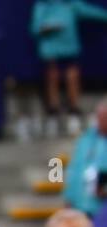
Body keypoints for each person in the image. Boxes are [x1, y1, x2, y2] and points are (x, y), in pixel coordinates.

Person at [30, 0, 107, 134]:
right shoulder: (42, 6)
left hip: (70, 50)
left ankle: (74, 111)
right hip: (50, 52)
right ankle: (53, 113)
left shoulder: (72, 5)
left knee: (72, 76)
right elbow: (35, 28)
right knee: (52, 76)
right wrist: (46, 28)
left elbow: (94, 13)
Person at [63, 99, 107, 217]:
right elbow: (75, 169)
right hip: (81, 205)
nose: (102, 121)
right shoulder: (86, 139)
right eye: (100, 117)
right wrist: (69, 197)